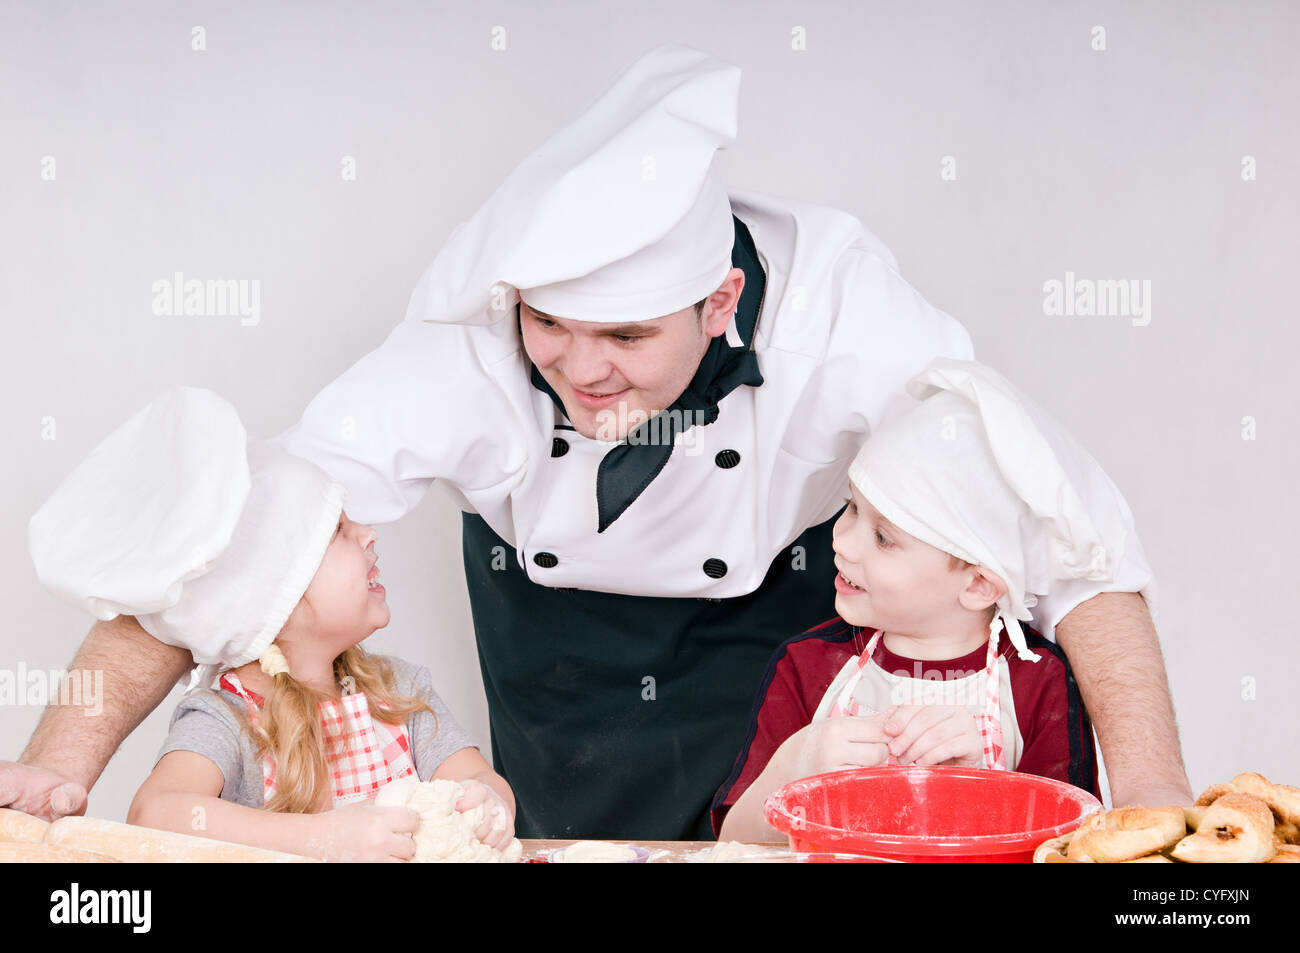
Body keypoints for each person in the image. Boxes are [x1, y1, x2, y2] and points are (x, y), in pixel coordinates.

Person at [3, 44, 1190, 838]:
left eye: (623, 333)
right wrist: (54, 767)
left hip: (768, 621)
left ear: (718, 303)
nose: (576, 368)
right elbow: (225, 543)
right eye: (549, 327)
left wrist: (1150, 797)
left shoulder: (849, 319)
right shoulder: (463, 353)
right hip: (553, 643)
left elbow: (1067, 546)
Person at [26, 387, 515, 861]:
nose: (368, 534)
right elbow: (154, 814)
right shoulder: (228, 721)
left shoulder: (400, 692)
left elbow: (479, 780)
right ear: (275, 604)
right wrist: (323, 840)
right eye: (339, 532)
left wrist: (491, 804)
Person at [714, 359, 1139, 840]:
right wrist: (795, 766)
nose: (842, 541)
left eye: (883, 539)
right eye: (852, 508)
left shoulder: (1040, 682)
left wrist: (984, 786)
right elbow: (735, 842)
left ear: (979, 585)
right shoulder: (807, 665)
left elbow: (1069, 847)